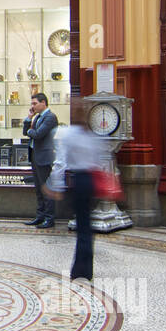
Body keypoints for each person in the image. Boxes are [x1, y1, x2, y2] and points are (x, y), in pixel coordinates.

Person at [48, 112, 108, 281]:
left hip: (79, 180)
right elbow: (100, 159)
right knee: (87, 224)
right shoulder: (92, 136)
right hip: (91, 181)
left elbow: (61, 161)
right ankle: (86, 268)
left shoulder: (69, 134)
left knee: (82, 224)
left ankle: (80, 270)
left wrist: (56, 185)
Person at [22, 92, 59, 228]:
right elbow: (25, 132)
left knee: (46, 189)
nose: (33, 106)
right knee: (38, 189)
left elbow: (37, 135)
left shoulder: (50, 117)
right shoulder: (37, 117)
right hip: (35, 156)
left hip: (44, 158)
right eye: (32, 103)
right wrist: (28, 119)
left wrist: (30, 131)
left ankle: (49, 218)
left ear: (43, 103)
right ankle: (40, 216)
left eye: (35, 103)